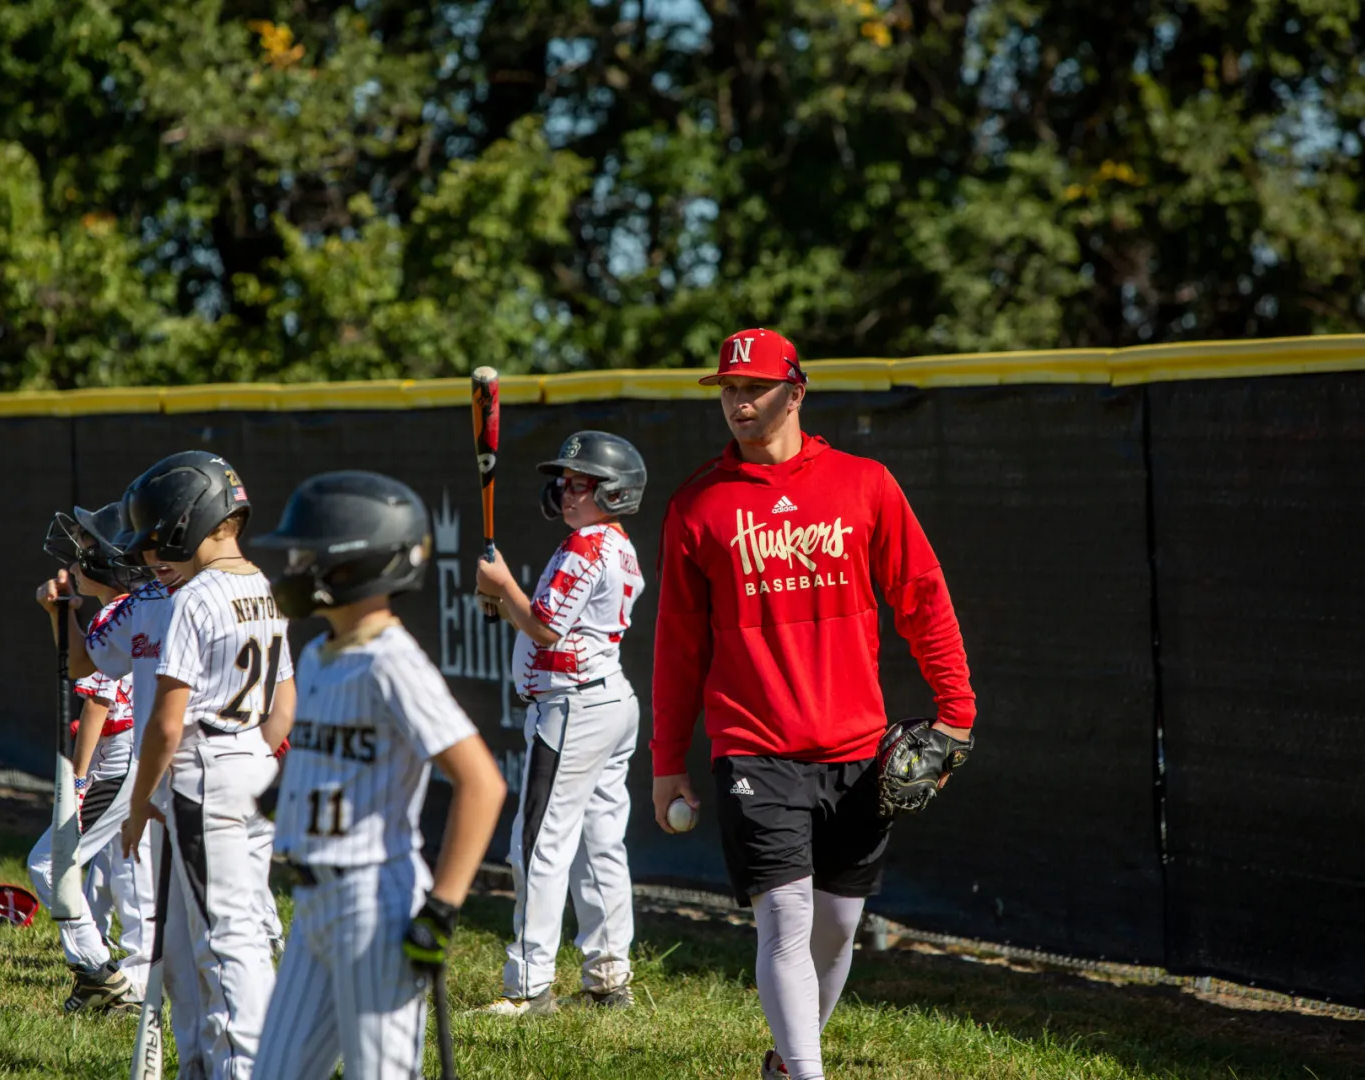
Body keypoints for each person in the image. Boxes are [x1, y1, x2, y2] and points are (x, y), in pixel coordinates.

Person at [650, 328, 977, 1080]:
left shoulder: (865, 484)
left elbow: (922, 599)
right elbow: (677, 646)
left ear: (796, 391)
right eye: (729, 389)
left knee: (837, 927)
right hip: (753, 745)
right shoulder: (698, 506)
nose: (738, 401)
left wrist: (955, 708)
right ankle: (808, 1074)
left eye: (754, 388)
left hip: (854, 745)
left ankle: (787, 1061)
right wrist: (669, 760)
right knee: (786, 921)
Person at [251, 470, 507, 1080]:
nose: (293, 566)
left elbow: (482, 782)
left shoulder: (394, 661)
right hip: (310, 901)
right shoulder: (316, 656)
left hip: (375, 902)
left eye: (307, 554)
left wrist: (442, 908)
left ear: (353, 565)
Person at [111, 451, 295, 1080]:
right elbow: (285, 703)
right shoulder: (264, 585)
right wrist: (253, 758)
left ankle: (248, 1065)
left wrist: (139, 805)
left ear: (194, 520)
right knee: (195, 935)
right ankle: (206, 1062)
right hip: (249, 758)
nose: (152, 554)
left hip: (200, 769)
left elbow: (166, 721)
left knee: (225, 937)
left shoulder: (195, 597)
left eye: (161, 535)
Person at [472, 431, 648, 1015]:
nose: (567, 492)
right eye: (566, 482)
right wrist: (502, 600)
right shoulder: (613, 545)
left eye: (582, 484)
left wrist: (502, 587)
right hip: (606, 700)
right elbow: (545, 622)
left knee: (539, 843)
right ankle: (608, 978)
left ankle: (527, 987)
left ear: (615, 493)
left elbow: (545, 627)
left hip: (573, 706)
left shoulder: (587, 546)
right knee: (600, 842)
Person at [27, 501, 155, 1012]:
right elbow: (82, 665)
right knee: (116, 872)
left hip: (118, 761)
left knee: (47, 863)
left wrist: (77, 780)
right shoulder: (121, 612)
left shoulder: (119, 614)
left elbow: (97, 700)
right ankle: (107, 976)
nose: (77, 557)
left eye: (87, 550)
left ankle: (99, 973)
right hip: (124, 758)